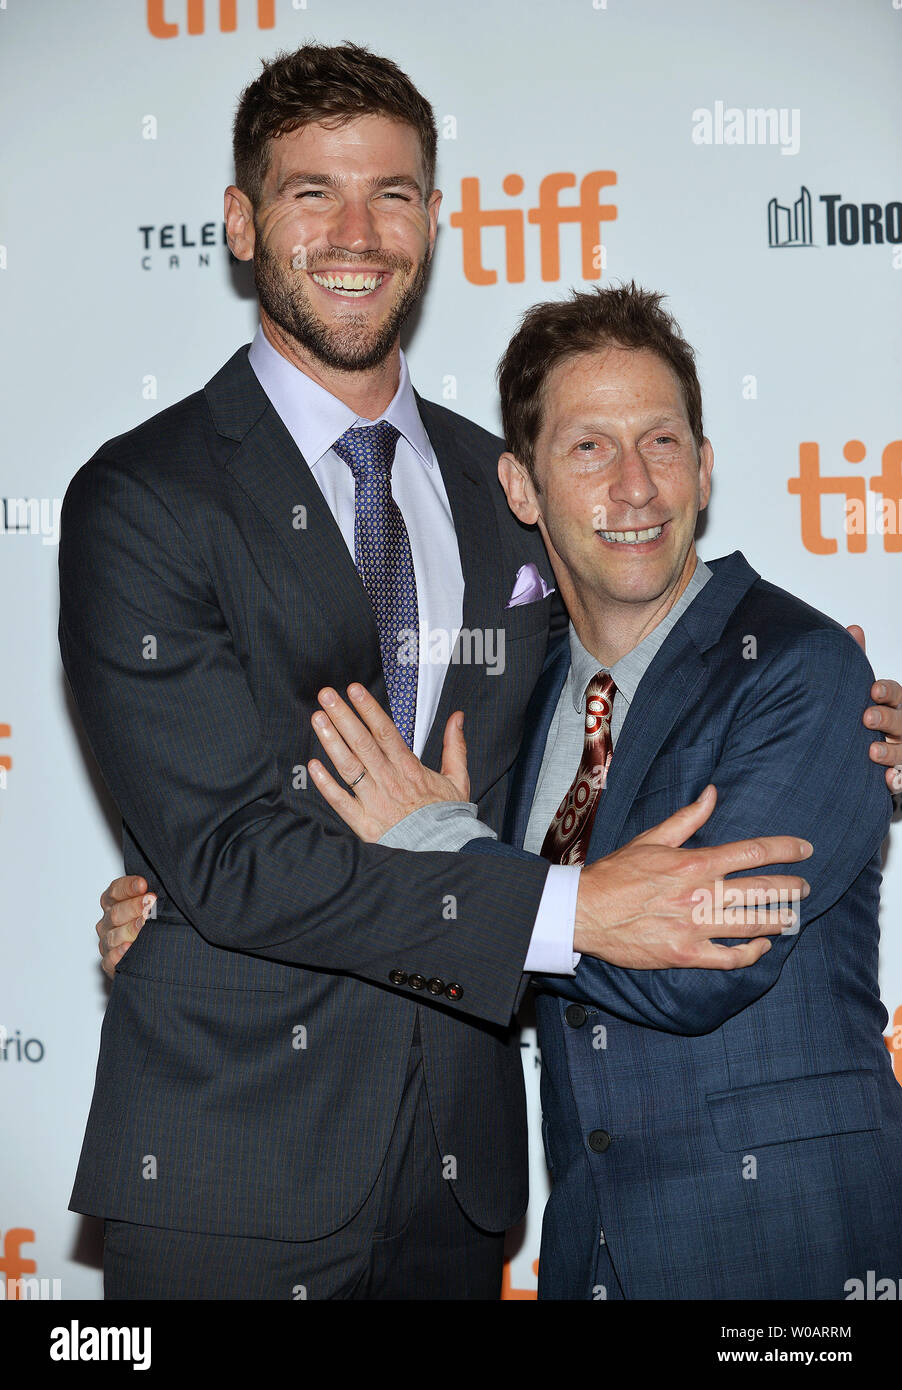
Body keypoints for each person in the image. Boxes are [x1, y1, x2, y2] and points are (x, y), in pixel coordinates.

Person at [60, 46, 809, 1302]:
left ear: (432, 220)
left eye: (393, 194)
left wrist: (839, 704)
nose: (357, 233)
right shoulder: (143, 496)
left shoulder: (504, 489)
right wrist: (569, 915)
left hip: (460, 1180)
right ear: (243, 223)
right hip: (230, 1169)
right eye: (312, 194)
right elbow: (235, 861)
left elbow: (645, 664)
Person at [285, 283, 902, 1299]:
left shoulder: (799, 670)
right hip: (592, 1249)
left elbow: (704, 956)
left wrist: (443, 846)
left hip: (791, 1252)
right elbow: (439, 936)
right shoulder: (512, 708)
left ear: (702, 468)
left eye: (660, 442)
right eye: (587, 448)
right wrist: (178, 924)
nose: (634, 487)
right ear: (520, 489)